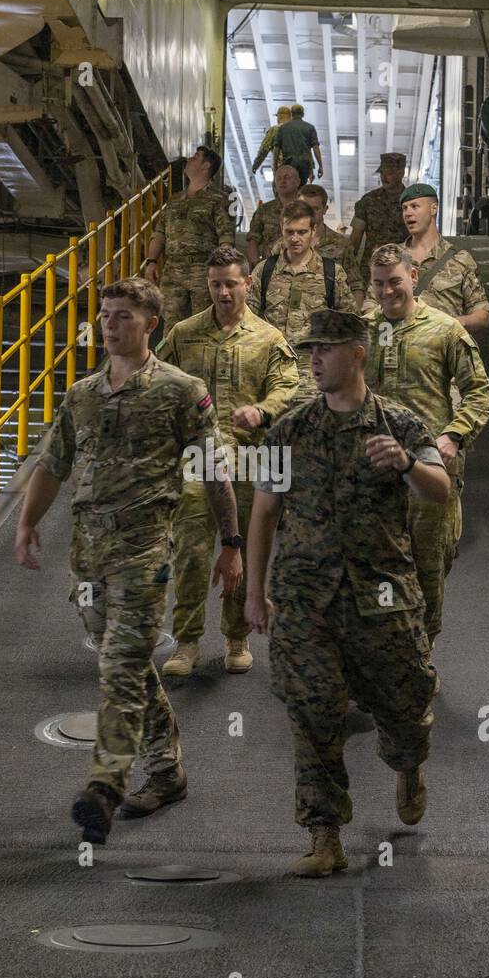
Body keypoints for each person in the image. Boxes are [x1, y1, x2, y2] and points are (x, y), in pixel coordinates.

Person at [15, 278, 242, 844]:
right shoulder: (83, 394)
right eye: (105, 315)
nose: (109, 325)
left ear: (151, 325)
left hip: (144, 554)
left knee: (119, 665)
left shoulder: (181, 391)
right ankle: (168, 771)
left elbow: (214, 470)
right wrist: (26, 522)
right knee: (129, 664)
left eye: (122, 316)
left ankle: (105, 785)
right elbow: (53, 464)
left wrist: (231, 543)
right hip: (87, 556)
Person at [245, 309, 450, 878]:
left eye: (326, 349)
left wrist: (407, 463)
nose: (314, 359)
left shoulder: (399, 424)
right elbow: (264, 512)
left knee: (406, 705)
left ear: (358, 353)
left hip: (382, 597)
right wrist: (255, 595)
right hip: (306, 599)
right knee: (312, 711)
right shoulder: (290, 430)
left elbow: (440, 489)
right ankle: (323, 834)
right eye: (310, 349)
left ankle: (407, 764)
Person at [155, 245, 299, 688]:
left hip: (254, 457)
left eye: (231, 284)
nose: (222, 292)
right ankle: (187, 641)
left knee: (245, 551)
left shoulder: (269, 338)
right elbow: (158, 375)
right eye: (215, 284)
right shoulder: (183, 333)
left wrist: (263, 410)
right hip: (199, 459)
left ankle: (237, 638)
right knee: (193, 551)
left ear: (247, 284)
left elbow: (289, 385)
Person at [364, 242, 489, 649]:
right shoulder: (363, 331)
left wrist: (454, 435)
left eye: (396, 282)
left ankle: (420, 654)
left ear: (413, 278)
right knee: (373, 566)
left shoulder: (444, 330)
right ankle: (381, 656)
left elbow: (479, 392)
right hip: (374, 470)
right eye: (379, 284)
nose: (388, 292)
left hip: (428, 468)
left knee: (428, 567)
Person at [247, 200, 357, 399]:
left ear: (313, 231)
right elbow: (247, 319)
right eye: (289, 232)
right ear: (282, 229)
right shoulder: (265, 271)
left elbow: (348, 325)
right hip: (270, 373)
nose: (295, 238)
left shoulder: (331, 273)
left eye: (302, 232)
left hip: (313, 377)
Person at [142, 146, 235, 333]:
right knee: (171, 327)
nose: (189, 159)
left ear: (205, 166)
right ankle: (171, 362)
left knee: (202, 327)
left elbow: (225, 235)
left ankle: (199, 363)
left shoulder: (218, 199)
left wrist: (223, 271)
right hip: (173, 270)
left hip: (202, 269)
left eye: (196, 157)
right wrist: (151, 261)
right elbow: (160, 233)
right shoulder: (175, 200)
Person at [400, 184, 489, 334]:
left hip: (444, 352)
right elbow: (370, 306)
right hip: (401, 352)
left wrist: (455, 324)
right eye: (404, 208)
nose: (408, 213)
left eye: (415, 206)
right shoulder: (393, 258)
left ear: (433, 209)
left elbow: (482, 315)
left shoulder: (460, 260)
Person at [267, 182, 362, 302]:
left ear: (325, 209)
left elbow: (356, 285)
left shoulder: (341, 245)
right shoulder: (281, 245)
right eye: (305, 208)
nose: (309, 214)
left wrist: (353, 318)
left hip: (326, 313)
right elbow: (267, 282)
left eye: (315, 209)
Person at [349, 152, 409, 300]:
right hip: (371, 269)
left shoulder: (411, 202)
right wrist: (348, 268)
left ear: (401, 173)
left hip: (401, 268)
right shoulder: (368, 201)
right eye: (382, 172)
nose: (384, 177)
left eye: (389, 173)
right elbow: (355, 239)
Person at [246, 163, 301, 267]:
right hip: (271, 268)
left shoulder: (306, 209)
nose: (282, 181)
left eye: (287, 177)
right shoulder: (264, 210)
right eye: (278, 178)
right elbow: (253, 238)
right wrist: (255, 263)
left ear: (297, 182)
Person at [273, 104, 323, 184]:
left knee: (291, 186)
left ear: (291, 114)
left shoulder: (283, 128)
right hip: (305, 163)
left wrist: (275, 167)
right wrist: (320, 166)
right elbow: (315, 148)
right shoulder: (310, 128)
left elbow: (276, 148)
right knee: (301, 187)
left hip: (289, 163)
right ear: (303, 114)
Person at [252, 106, 292, 174]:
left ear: (280, 117)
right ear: (290, 117)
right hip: (297, 168)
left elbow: (264, 149)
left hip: (281, 167)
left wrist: (256, 165)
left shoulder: (274, 129)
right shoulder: (298, 130)